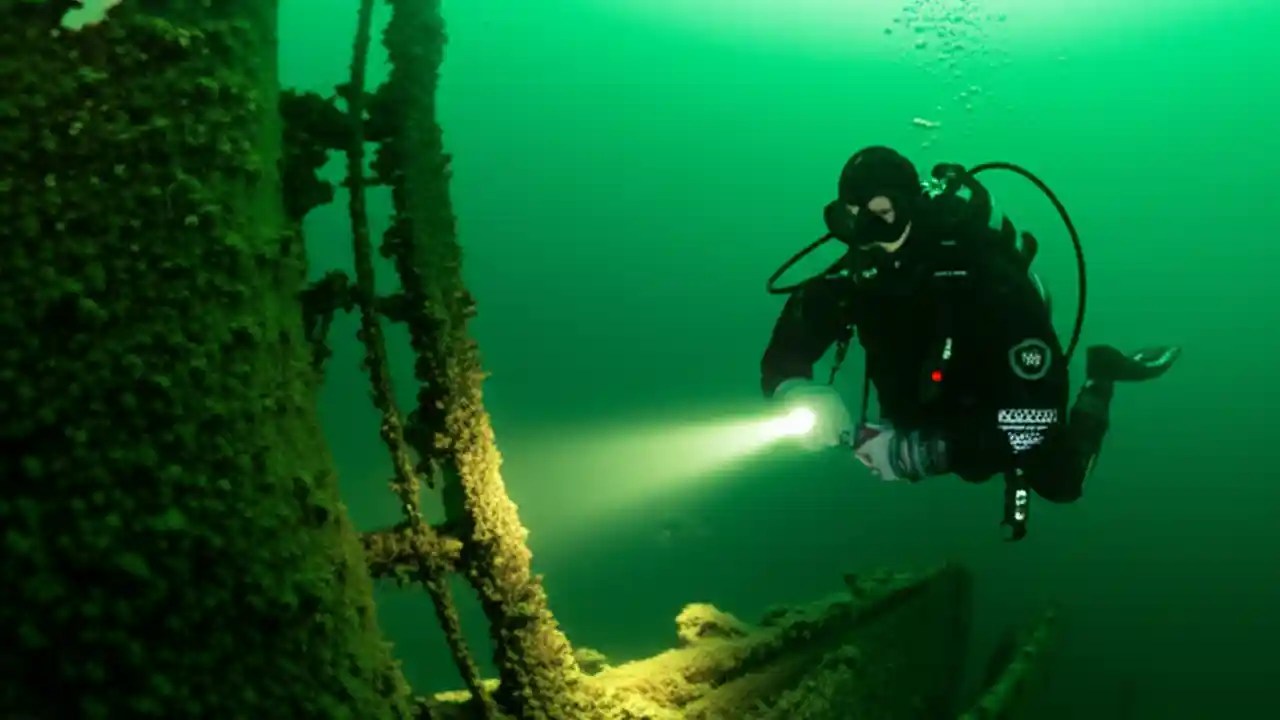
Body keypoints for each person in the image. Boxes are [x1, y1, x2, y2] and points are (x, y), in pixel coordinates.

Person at [760, 146, 1179, 523]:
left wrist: (930, 454)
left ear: (911, 208)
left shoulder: (988, 280)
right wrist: (792, 387)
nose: (869, 239)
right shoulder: (853, 281)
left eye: (883, 217)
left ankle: (1101, 375)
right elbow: (786, 349)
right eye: (851, 220)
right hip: (926, 414)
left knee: (1061, 484)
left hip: (997, 404)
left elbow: (1038, 422)